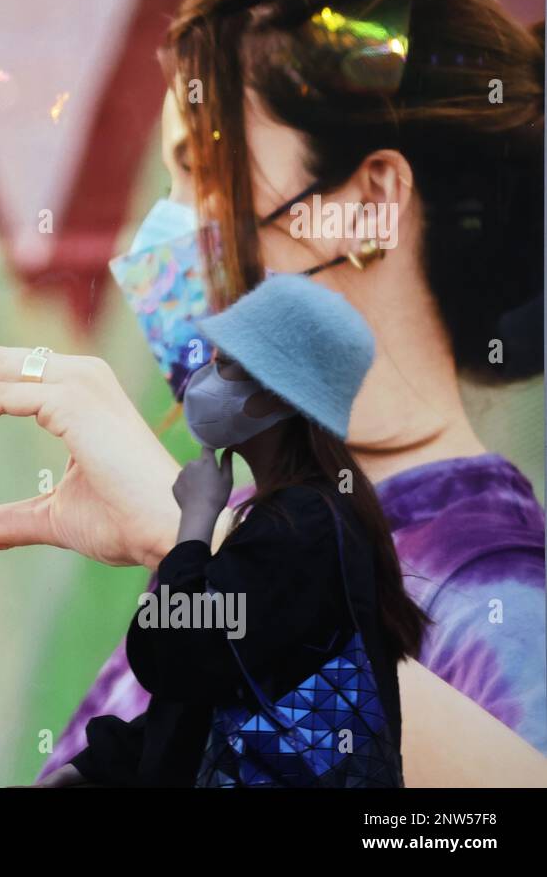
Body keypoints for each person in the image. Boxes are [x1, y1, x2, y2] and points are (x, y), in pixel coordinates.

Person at [0, 0, 547, 781]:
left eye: (204, 169)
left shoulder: (499, 605)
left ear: (368, 203)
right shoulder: (272, 537)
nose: (164, 234)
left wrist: (181, 533)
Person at [54, 275, 425, 786]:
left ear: (276, 397)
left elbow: (175, 653)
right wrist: (93, 768)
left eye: (223, 365)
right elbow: (210, 696)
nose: (203, 381)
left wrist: (195, 526)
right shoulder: (309, 518)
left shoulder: (303, 529)